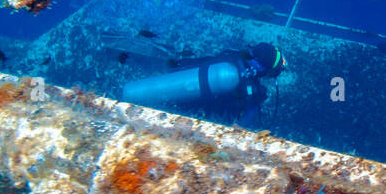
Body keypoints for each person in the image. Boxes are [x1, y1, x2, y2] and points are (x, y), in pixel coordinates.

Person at [121, 43, 286, 126]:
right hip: (193, 104)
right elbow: (245, 124)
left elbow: (204, 61)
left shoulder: (233, 55)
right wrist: (255, 101)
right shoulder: (250, 90)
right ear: (266, 70)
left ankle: (130, 92)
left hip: (184, 75)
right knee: (172, 103)